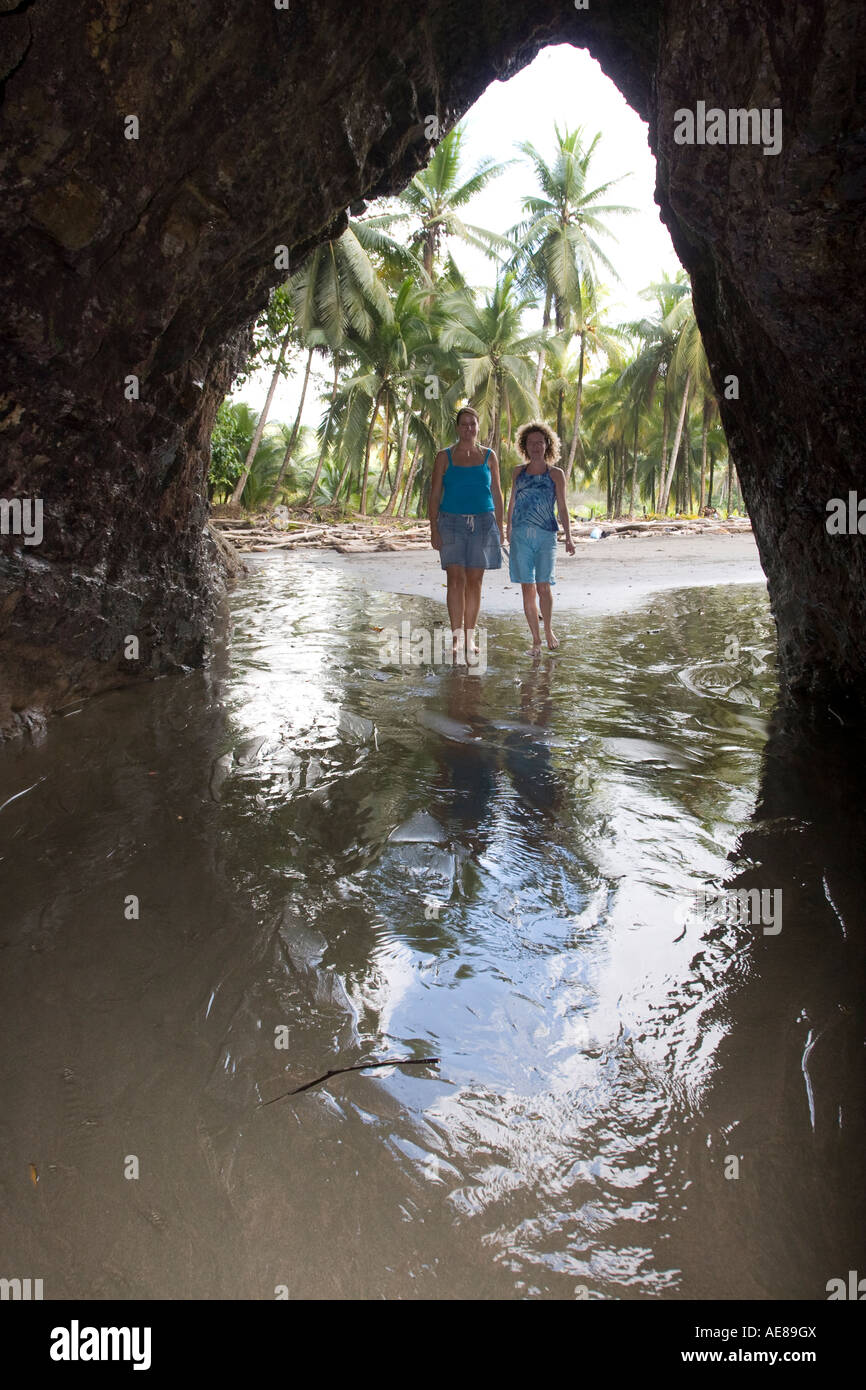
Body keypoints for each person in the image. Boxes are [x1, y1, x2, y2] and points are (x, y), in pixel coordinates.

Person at [429, 406, 504, 664]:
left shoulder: (489, 456)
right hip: (450, 522)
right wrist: (433, 528)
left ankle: (470, 637)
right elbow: (435, 494)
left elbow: (497, 493)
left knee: (475, 581)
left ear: (478, 426)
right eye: (464, 424)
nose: (468, 428)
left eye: (472, 424)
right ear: (457, 427)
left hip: (483, 522)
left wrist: (501, 527)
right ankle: (455, 637)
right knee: (455, 580)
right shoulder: (444, 456)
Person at [506, 420, 575, 654]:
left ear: (547, 445)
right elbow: (512, 502)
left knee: (544, 587)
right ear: (525, 446)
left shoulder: (556, 474)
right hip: (521, 536)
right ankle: (536, 639)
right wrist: (508, 527)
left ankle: (548, 630)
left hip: (546, 535)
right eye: (531, 443)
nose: (535, 446)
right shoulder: (518, 472)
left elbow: (563, 508)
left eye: (540, 442)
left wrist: (569, 537)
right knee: (528, 589)